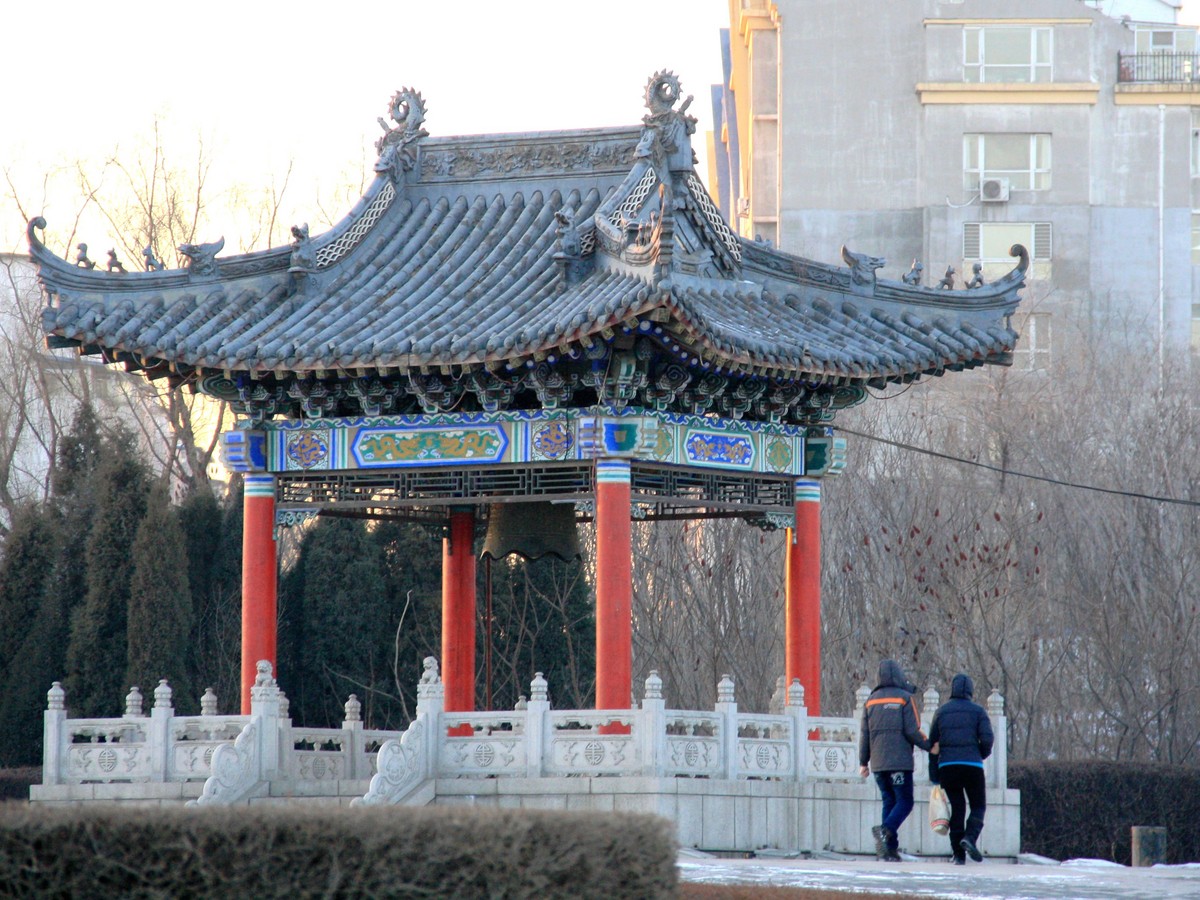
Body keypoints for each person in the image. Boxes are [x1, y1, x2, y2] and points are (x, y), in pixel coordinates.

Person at [859, 659, 931, 861]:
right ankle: (886, 830)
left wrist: (863, 763)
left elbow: (865, 734)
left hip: (879, 765)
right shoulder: (905, 698)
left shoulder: (870, 700)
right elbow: (912, 730)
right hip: (899, 762)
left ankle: (889, 850)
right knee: (905, 801)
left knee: (889, 802)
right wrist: (929, 745)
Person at [928, 673, 994, 864]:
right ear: (970, 691)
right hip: (972, 766)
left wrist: (935, 775)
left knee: (958, 808)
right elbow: (988, 739)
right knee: (978, 806)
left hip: (948, 767)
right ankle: (969, 838)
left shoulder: (941, 712)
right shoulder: (979, 711)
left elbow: (933, 745)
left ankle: (958, 855)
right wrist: (980, 754)